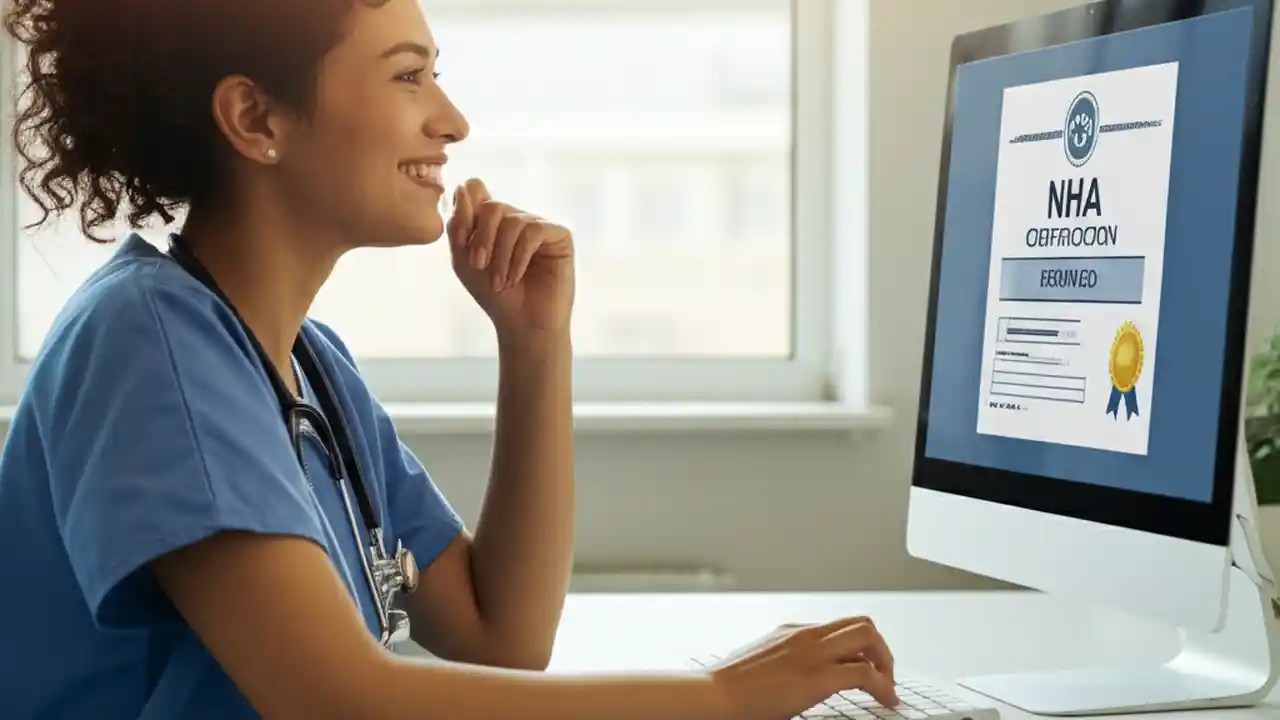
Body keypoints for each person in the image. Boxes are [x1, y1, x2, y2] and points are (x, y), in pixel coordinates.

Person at [0, 1, 901, 718]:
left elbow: (500, 629)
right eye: (409, 77)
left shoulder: (309, 366)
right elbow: (342, 701)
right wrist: (719, 700)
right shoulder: (146, 344)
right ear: (255, 117)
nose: (453, 120)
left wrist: (535, 343)